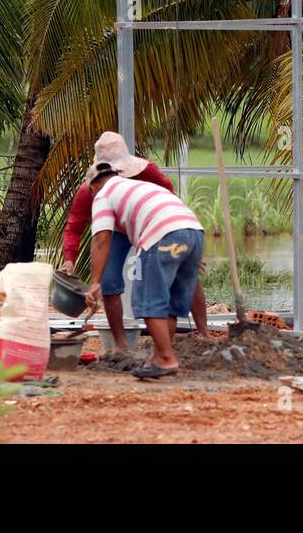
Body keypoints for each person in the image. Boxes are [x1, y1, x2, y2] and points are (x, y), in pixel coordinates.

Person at [60, 132, 208, 348]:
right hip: (117, 229)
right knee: (109, 281)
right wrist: (70, 260)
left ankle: (201, 335)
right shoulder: (91, 192)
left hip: (154, 222)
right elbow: (76, 227)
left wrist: (186, 248)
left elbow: (169, 201)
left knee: (185, 273)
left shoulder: (147, 172)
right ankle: (121, 346)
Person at [84, 162, 207, 379]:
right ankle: (158, 356)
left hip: (161, 236)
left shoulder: (104, 195)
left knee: (149, 300)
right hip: (194, 233)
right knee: (168, 305)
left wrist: (95, 282)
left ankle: (167, 359)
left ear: (94, 186)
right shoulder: (139, 187)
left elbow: (101, 241)